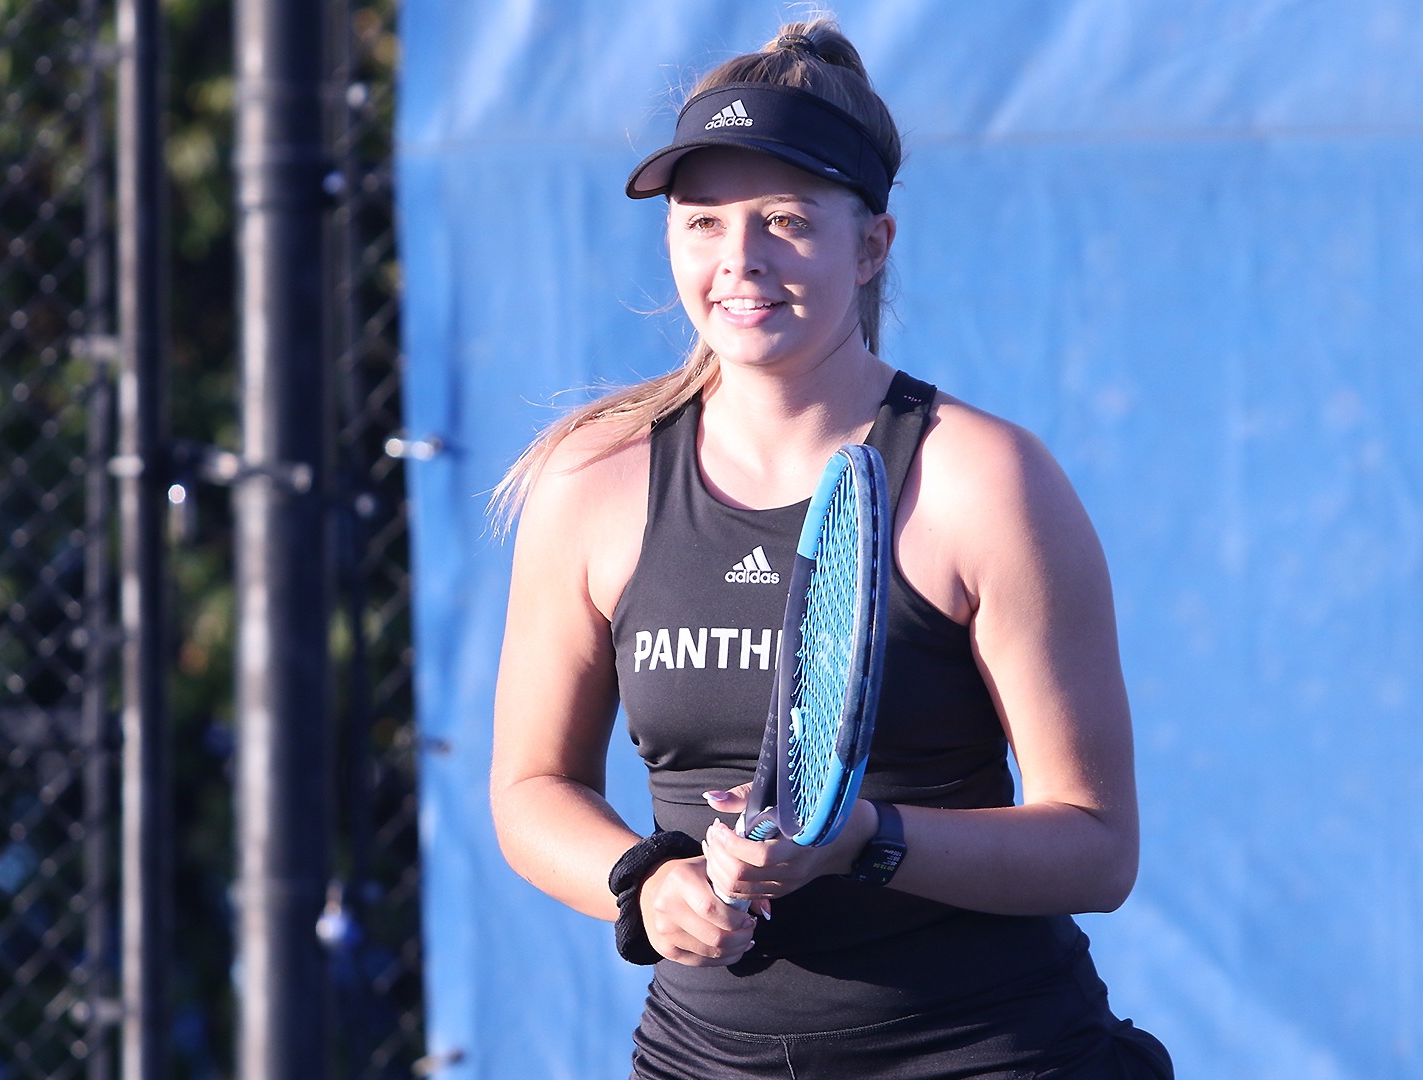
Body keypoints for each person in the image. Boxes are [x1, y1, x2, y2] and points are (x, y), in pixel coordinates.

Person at [488, 15, 1173, 1079]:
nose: (739, 259)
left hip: (992, 1053)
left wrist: (870, 840)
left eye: (786, 220)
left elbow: (1096, 847)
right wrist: (644, 882)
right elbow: (531, 789)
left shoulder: (985, 479)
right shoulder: (592, 479)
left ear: (871, 247)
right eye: (702, 222)